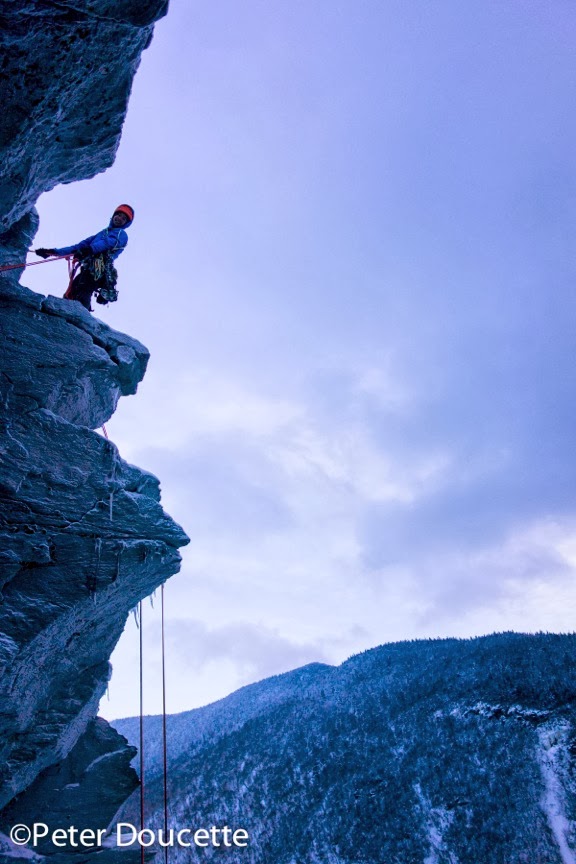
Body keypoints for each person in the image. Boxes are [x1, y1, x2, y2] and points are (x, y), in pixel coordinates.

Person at [35, 204, 134, 311]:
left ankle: (80, 314)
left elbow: (108, 243)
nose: (119, 219)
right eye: (118, 215)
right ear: (114, 215)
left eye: (123, 218)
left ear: (126, 223)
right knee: (74, 288)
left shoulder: (121, 234)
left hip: (99, 269)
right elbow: (79, 246)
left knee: (84, 288)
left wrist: (90, 250)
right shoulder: (101, 233)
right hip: (90, 267)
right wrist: (52, 252)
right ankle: (72, 311)